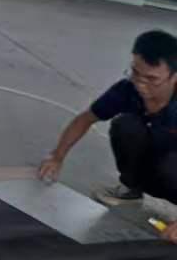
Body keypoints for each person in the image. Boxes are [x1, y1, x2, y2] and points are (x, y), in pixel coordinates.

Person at [39, 29, 177, 241]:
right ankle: (131, 189)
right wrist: (57, 157)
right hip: (154, 167)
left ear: (174, 77)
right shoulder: (127, 90)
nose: (141, 84)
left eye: (152, 79)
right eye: (136, 73)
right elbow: (85, 119)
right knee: (125, 125)